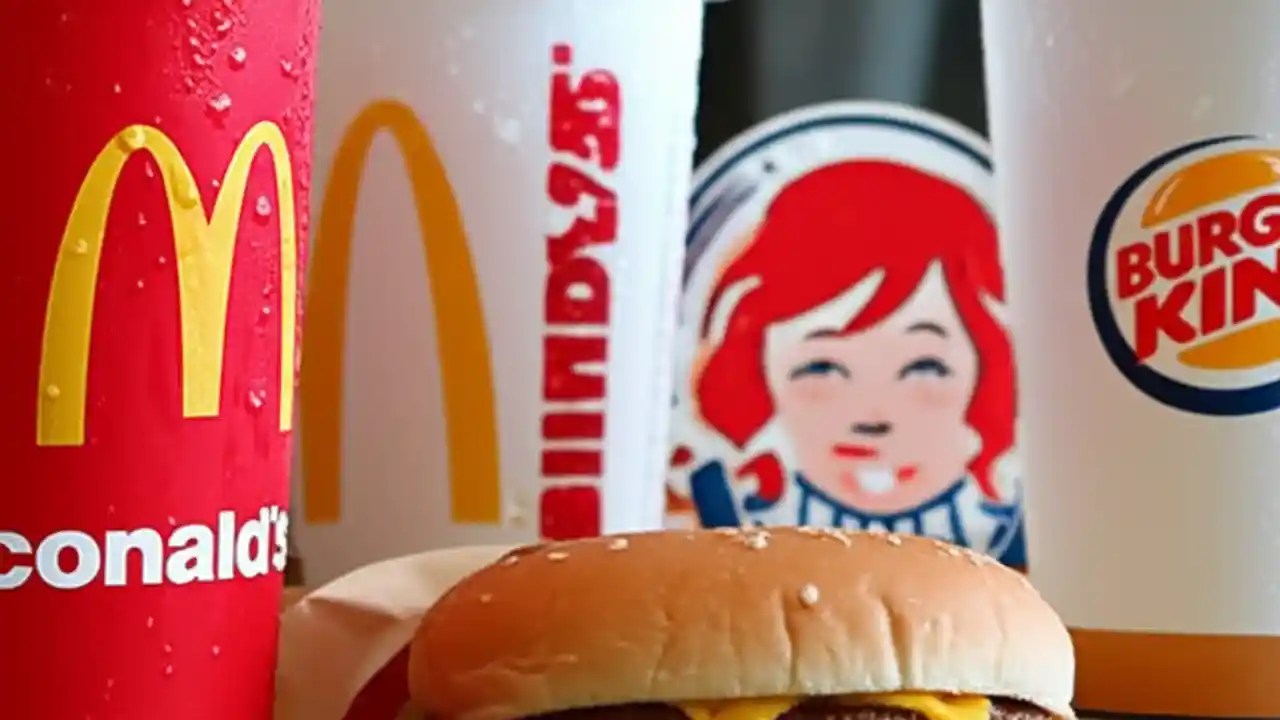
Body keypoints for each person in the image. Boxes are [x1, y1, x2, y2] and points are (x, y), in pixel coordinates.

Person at [672, 159, 1026, 567]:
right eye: (821, 369)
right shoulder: (704, 517)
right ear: (762, 377)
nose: (872, 418)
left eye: (923, 368)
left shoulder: (1028, 546)